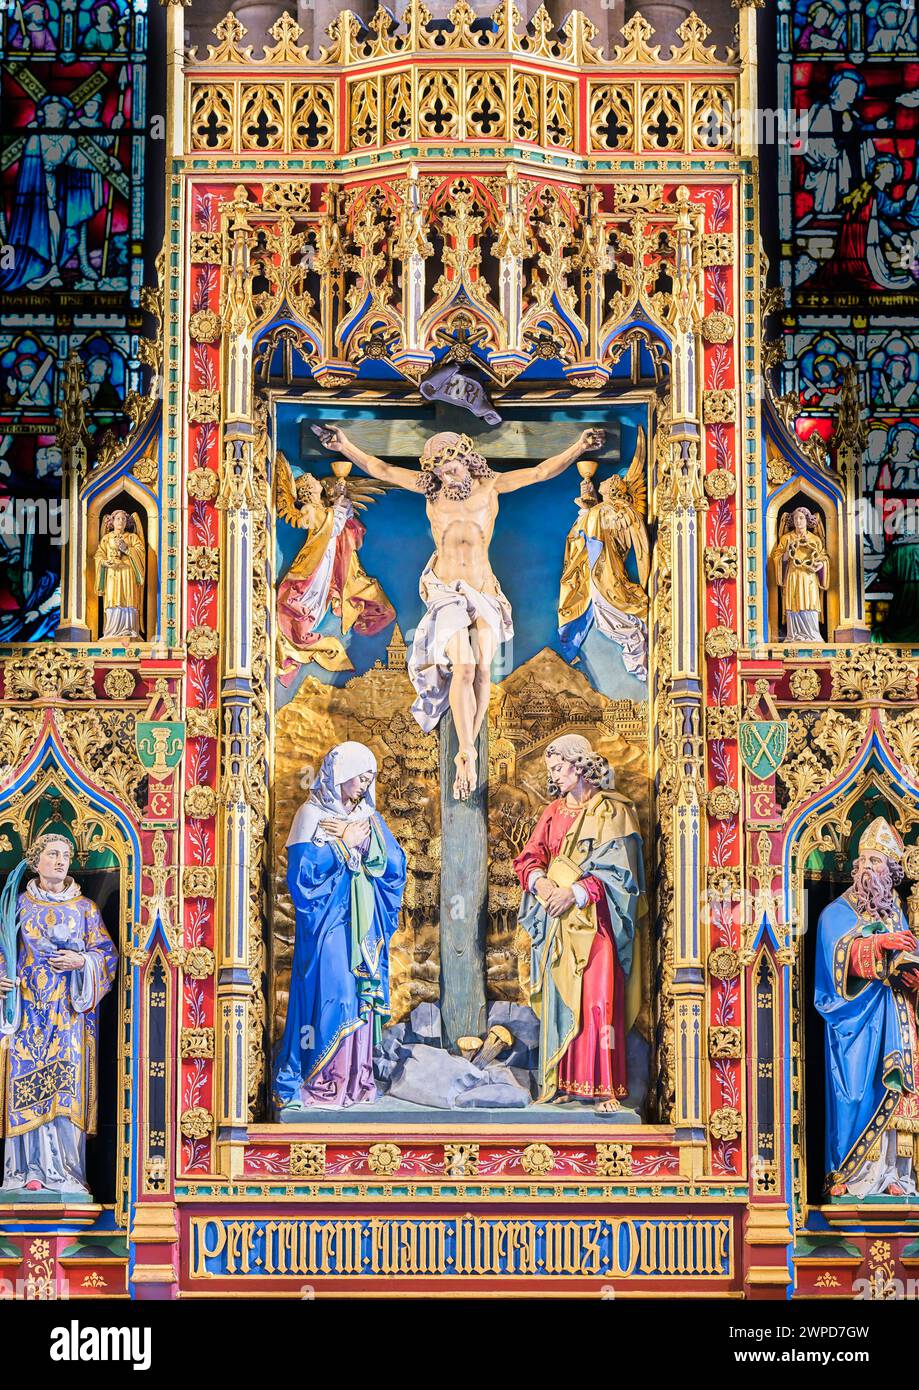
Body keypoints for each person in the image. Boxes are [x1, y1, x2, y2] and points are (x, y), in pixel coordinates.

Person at [321, 425, 604, 798]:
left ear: (465, 456)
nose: (444, 474)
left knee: (484, 669)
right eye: (436, 470)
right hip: (445, 591)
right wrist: (345, 444)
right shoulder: (430, 492)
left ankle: (471, 744)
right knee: (465, 666)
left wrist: (578, 445)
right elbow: (383, 470)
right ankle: (465, 752)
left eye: (448, 464)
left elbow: (540, 472)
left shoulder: (492, 486)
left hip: (483, 589)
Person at [273, 743, 406, 1112]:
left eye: (370, 778)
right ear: (340, 774)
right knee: (337, 991)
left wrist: (367, 844)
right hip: (328, 924)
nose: (365, 785)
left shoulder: (368, 815)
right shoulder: (310, 814)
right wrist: (341, 847)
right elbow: (301, 877)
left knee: (360, 995)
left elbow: (394, 863)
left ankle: (356, 1079)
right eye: (361, 776)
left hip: (363, 923)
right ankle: (324, 1079)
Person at [513, 735, 644, 1112]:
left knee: (599, 1000)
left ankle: (606, 1089)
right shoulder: (553, 812)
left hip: (597, 922)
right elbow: (529, 858)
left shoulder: (612, 811)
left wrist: (576, 893)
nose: (553, 776)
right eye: (550, 769)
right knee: (560, 999)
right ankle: (560, 1082)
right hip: (558, 921)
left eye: (557, 768)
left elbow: (623, 872)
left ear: (579, 764)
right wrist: (543, 886)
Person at [0, 833, 117, 1196]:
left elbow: (108, 958)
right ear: (36, 862)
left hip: (67, 1017)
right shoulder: (18, 907)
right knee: (24, 1088)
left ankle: (65, 1172)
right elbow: (4, 952)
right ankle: (23, 1171)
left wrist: (82, 961)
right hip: (27, 1017)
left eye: (66, 854)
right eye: (53, 854)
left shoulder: (86, 910)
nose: (61, 860)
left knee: (65, 1090)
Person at [815, 818, 919, 1198]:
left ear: (891, 874)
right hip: (856, 1023)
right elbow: (836, 959)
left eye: (879, 864)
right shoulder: (837, 913)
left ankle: (895, 1176)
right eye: (867, 862)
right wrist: (878, 946)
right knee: (856, 1094)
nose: (869, 870)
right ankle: (853, 1177)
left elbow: (909, 959)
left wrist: (913, 980)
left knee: (900, 1092)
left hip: (896, 1017)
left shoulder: (896, 914)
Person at [772, 506, 829, 642]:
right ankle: (794, 635)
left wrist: (820, 565)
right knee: (793, 602)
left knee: (810, 602)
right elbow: (777, 556)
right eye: (796, 518)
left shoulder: (815, 539)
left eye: (801, 518)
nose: (798, 521)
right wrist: (787, 553)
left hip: (809, 577)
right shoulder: (786, 538)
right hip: (793, 575)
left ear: (807, 520)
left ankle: (813, 635)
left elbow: (823, 557)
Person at [94, 509, 144, 639]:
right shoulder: (106, 538)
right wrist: (104, 563)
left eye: (123, 519)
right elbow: (99, 555)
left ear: (127, 522)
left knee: (128, 598)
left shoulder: (133, 537)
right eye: (118, 519)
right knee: (112, 600)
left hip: (128, 572)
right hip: (112, 574)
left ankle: (129, 629)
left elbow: (141, 553)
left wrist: (127, 549)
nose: (120, 521)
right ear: (112, 521)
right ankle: (112, 631)